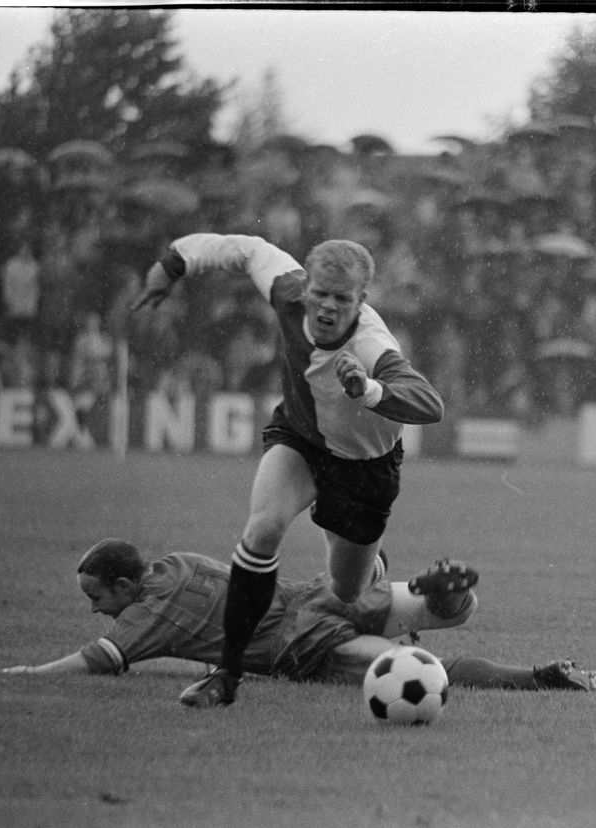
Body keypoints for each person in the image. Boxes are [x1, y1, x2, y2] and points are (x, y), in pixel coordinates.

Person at [132, 234, 446, 707]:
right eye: (320, 293)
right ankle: (227, 675)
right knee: (263, 529)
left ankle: (374, 567)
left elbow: (430, 403)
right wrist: (172, 263)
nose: (326, 307)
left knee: (346, 591)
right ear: (307, 286)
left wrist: (371, 389)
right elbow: (241, 246)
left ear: (361, 301)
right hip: (300, 439)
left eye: (342, 299)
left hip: (364, 471)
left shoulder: (370, 343)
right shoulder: (286, 286)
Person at [1, 539, 596, 693]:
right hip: (320, 594)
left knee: (418, 670)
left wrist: (31, 674)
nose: (94, 610)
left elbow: (98, 660)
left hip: (300, 642)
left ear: (127, 584)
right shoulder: (177, 563)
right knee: (457, 614)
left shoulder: (150, 616)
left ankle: (538, 677)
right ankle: (436, 592)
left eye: (97, 597)